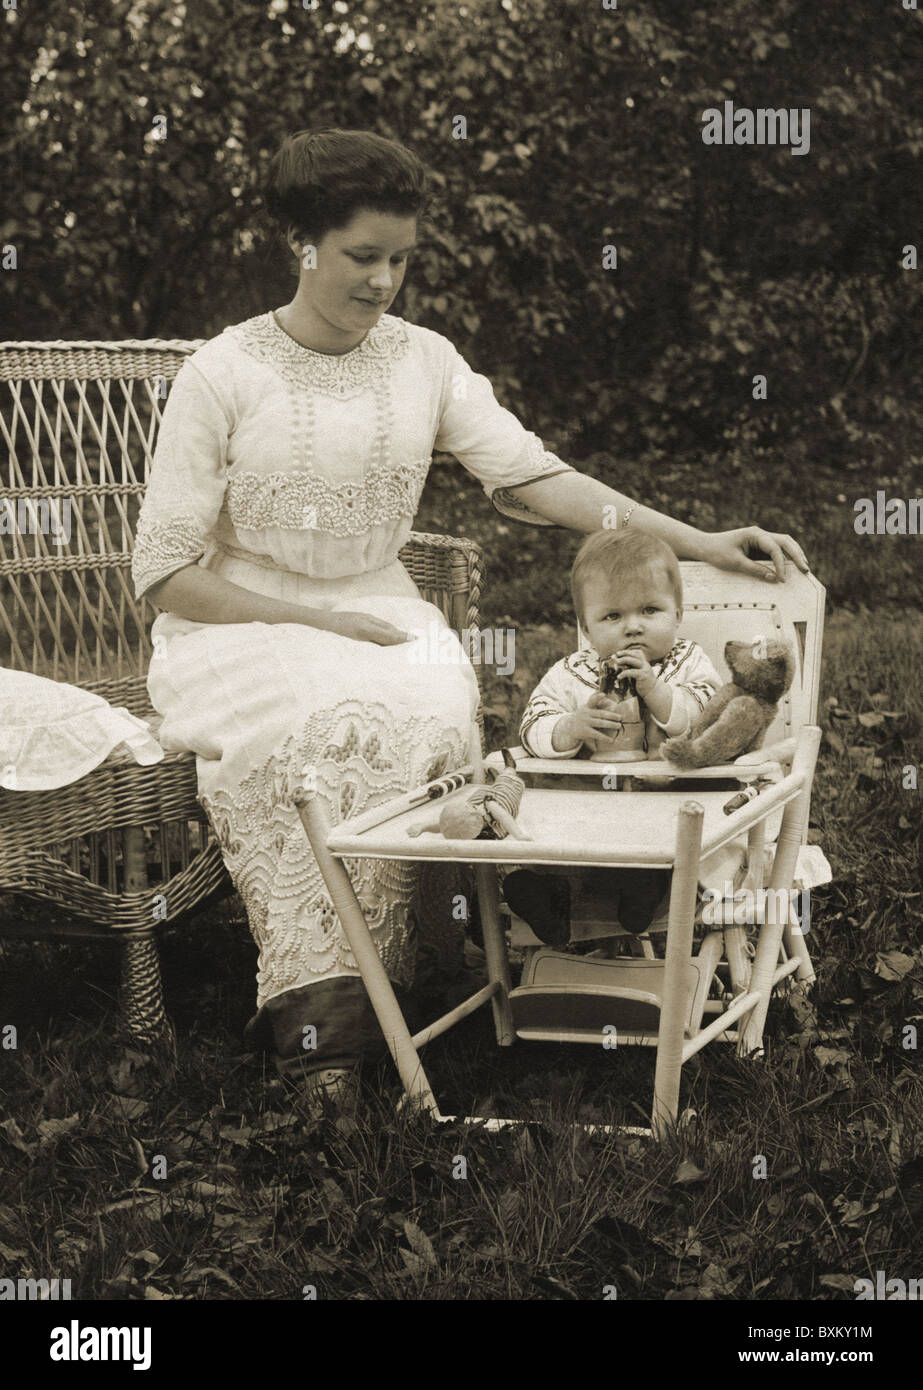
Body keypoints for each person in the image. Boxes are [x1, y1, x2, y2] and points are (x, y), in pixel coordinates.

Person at [130, 127, 810, 1103]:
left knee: (428, 714)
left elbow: (541, 480)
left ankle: (410, 983)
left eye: (401, 259)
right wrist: (318, 629)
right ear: (303, 245)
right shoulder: (221, 374)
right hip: (234, 623)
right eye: (363, 256)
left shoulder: (424, 361)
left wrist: (698, 540)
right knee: (316, 728)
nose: (383, 282)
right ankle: (320, 1026)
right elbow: (160, 575)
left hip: (383, 609)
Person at [504, 528, 722, 945]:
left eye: (650, 610)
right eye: (612, 617)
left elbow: (707, 715)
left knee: (662, 850)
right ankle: (549, 893)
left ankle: (645, 887)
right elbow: (532, 724)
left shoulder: (688, 662)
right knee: (556, 839)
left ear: (678, 614)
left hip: (663, 805)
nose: (633, 627)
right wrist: (569, 727)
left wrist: (657, 692)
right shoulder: (572, 673)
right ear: (586, 629)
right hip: (589, 812)